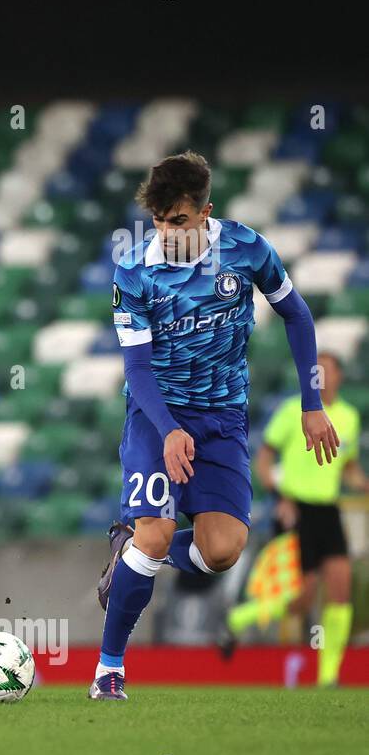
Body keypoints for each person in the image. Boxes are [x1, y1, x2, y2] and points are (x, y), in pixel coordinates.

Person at [95, 151, 339, 700]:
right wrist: (167, 428)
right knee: (155, 533)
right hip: (155, 416)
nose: (167, 232)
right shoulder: (134, 269)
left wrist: (311, 403)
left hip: (223, 417)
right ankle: (109, 669)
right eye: (158, 221)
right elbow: (136, 367)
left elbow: (296, 314)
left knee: (222, 550)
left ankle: (129, 546)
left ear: (207, 212)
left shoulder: (246, 249)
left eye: (177, 220)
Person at [222, 351, 364, 685]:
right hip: (295, 509)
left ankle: (328, 676)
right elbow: (264, 459)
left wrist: (363, 483)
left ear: (339, 376)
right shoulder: (291, 411)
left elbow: (348, 468)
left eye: (328, 370)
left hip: (329, 509)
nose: (321, 377)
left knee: (340, 589)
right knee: (300, 595)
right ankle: (241, 618)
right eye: (317, 371)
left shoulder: (350, 417)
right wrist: (279, 495)